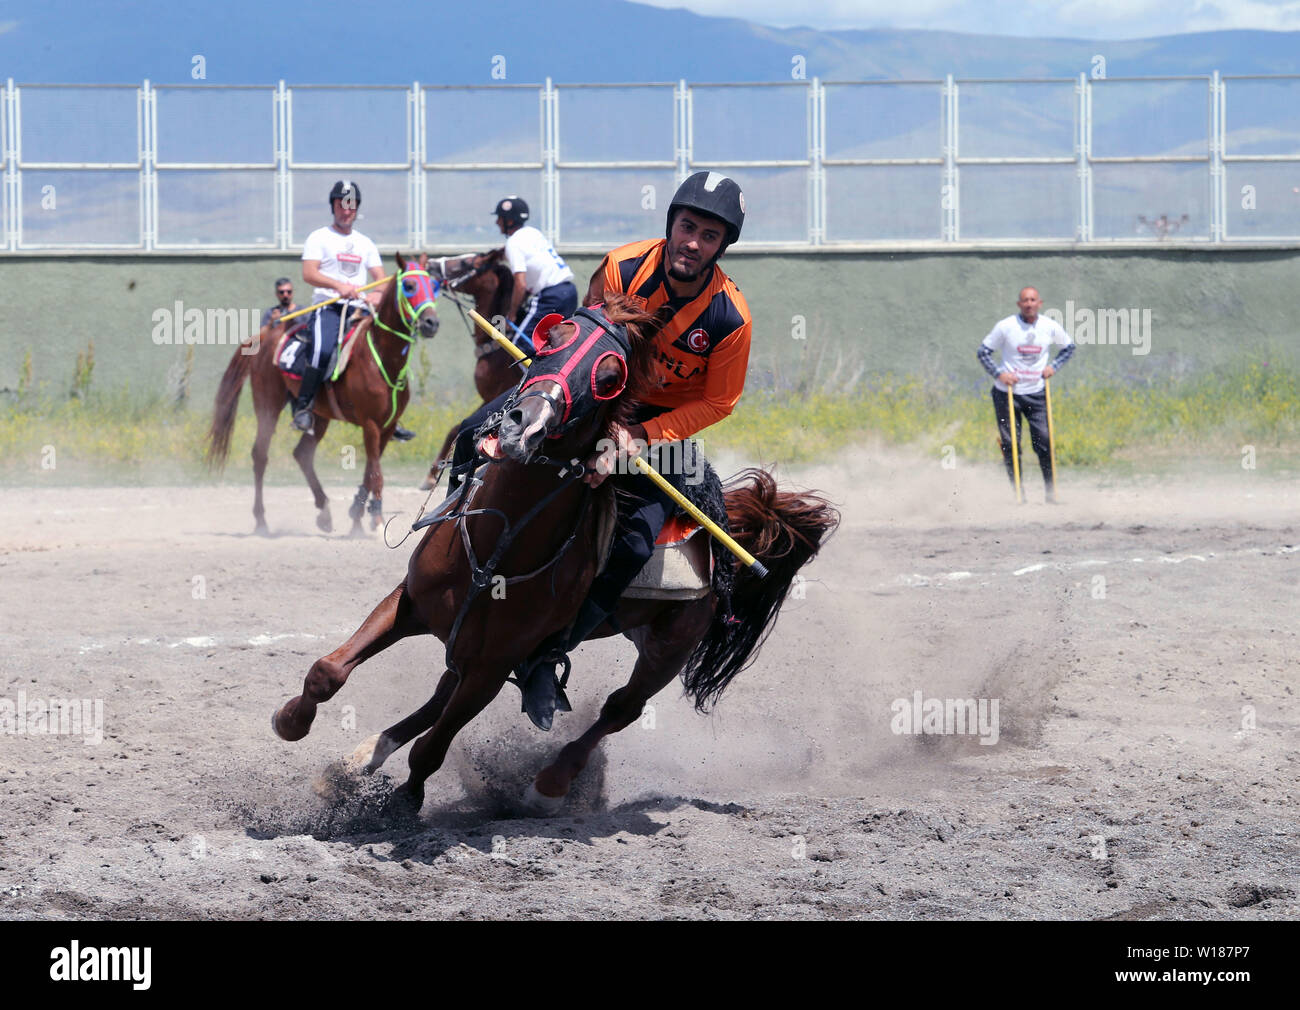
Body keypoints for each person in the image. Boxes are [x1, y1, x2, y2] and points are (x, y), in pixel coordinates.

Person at [444, 172, 751, 729]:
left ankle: (549, 653)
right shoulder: (623, 268)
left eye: (709, 236)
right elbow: (584, 342)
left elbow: (720, 401)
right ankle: (446, 559)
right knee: (471, 435)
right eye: (687, 227)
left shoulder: (731, 319)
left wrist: (639, 439)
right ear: (672, 224)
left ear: (720, 246)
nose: (693, 242)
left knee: (635, 543)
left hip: (660, 432)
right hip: (592, 396)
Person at [292, 180, 385, 435]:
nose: (347, 210)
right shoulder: (319, 237)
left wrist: (378, 294)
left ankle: (388, 414)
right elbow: (309, 273)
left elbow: (380, 278)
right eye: (342, 205)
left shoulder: (365, 243)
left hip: (360, 309)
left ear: (356, 209)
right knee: (322, 351)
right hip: (328, 307)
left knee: (386, 351)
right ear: (333, 206)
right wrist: (338, 286)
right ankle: (303, 406)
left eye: (351, 205)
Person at [977, 287, 1076, 503]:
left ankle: (1051, 493)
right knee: (1010, 443)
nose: (1029, 304)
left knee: (1044, 441)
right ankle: (1018, 494)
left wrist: (1054, 367)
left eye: (1033, 300)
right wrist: (999, 373)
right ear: (1019, 304)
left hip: (1037, 393)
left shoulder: (1049, 326)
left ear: (1039, 303)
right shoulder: (1006, 326)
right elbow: (983, 352)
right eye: (1025, 300)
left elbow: (1068, 347)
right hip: (1007, 394)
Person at [493, 196, 578, 349]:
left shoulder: (513, 243)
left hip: (551, 297)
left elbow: (520, 284)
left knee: (520, 347)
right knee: (556, 346)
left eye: (499, 217)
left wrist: (511, 315)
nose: (497, 222)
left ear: (509, 221)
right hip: (569, 292)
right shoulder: (533, 233)